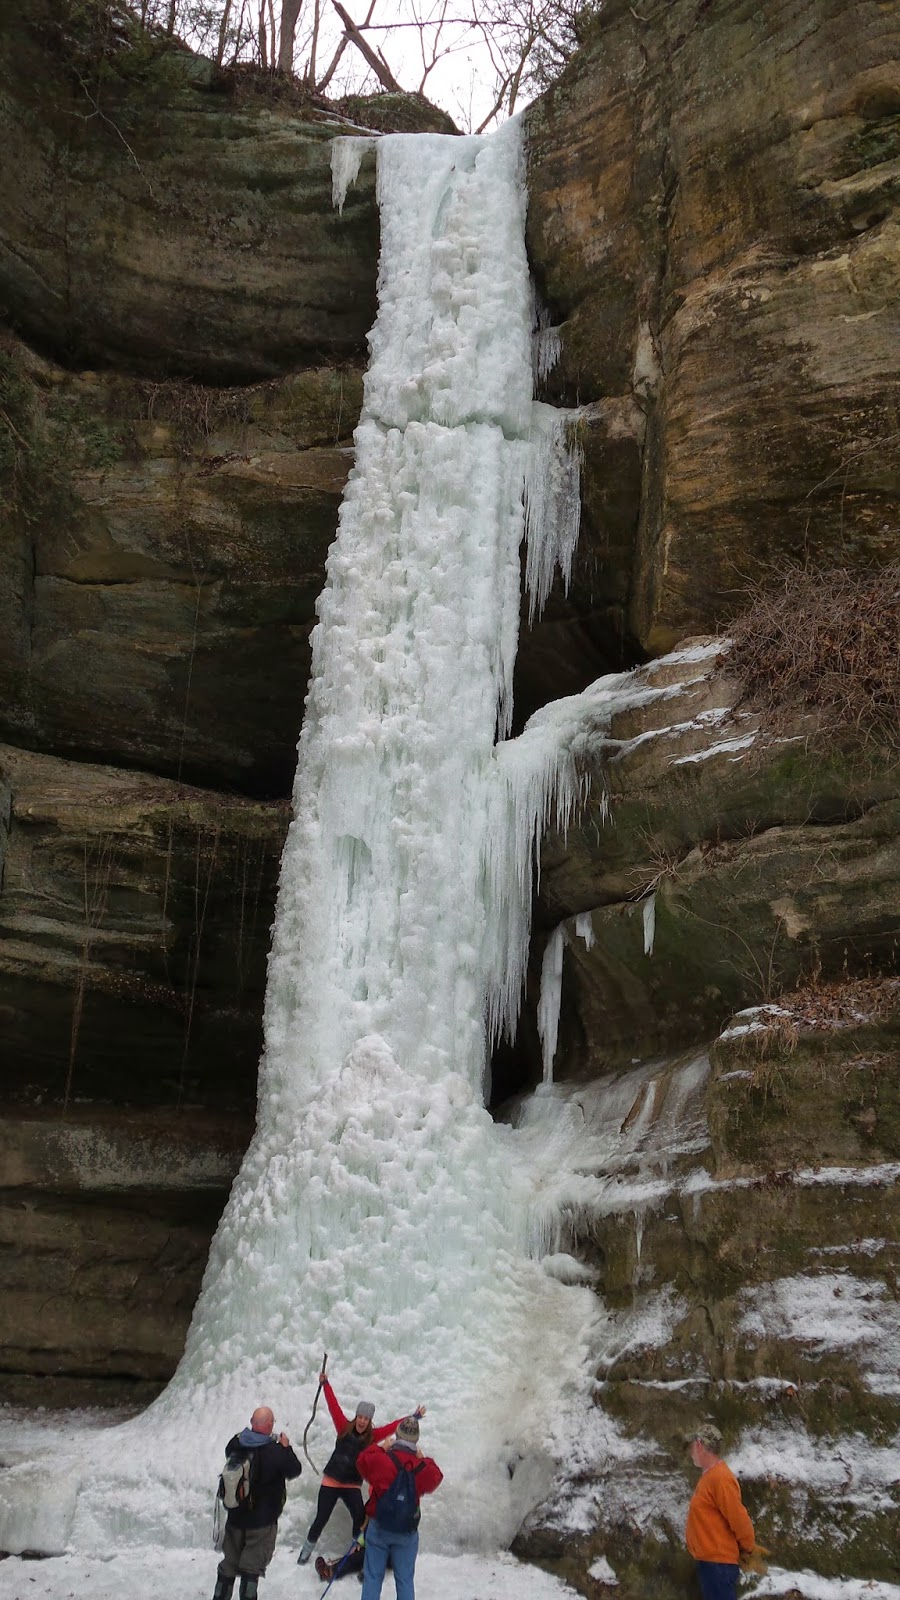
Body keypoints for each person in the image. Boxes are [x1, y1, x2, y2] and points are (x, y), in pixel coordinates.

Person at [297, 1372, 422, 1565]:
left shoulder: (373, 1436)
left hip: (352, 1486)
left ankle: (358, 1553)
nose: (362, 1421)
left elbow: (393, 1427)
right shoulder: (343, 1427)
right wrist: (326, 1384)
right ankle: (304, 1553)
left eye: (366, 1418)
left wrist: (413, 1418)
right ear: (356, 1417)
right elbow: (333, 1405)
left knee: (360, 1518)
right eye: (360, 1417)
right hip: (331, 1481)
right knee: (321, 1518)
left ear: (370, 1420)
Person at [212, 1405, 301, 1600]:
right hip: (261, 1522)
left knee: (229, 1564)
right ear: (270, 1425)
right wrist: (286, 1448)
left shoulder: (236, 1443)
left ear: (252, 1424)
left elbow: (229, 1453)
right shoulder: (276, 1451)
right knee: (251, 1569)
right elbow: (294, 1470)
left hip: (235, 1518)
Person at [357, 1415, 443, 1600]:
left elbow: (362, 1461)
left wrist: (380, 1447)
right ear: (416, 1440)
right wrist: (424, 1458)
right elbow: (436, 1477)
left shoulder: (382, 1460)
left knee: (372, 1577)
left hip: (379, 1527)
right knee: (404, 1580)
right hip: (406, 1531)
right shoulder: (421, 1466)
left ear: (396, 1435)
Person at [685, 1423, 758, 1600]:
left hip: (719, 1565)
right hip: (711, 1563)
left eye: (693, 1446)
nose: (692, 1452)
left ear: (700, 1445)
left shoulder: (720, 1478)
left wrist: (748, 1548)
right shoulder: (711, 1476)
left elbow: (739, 1518)